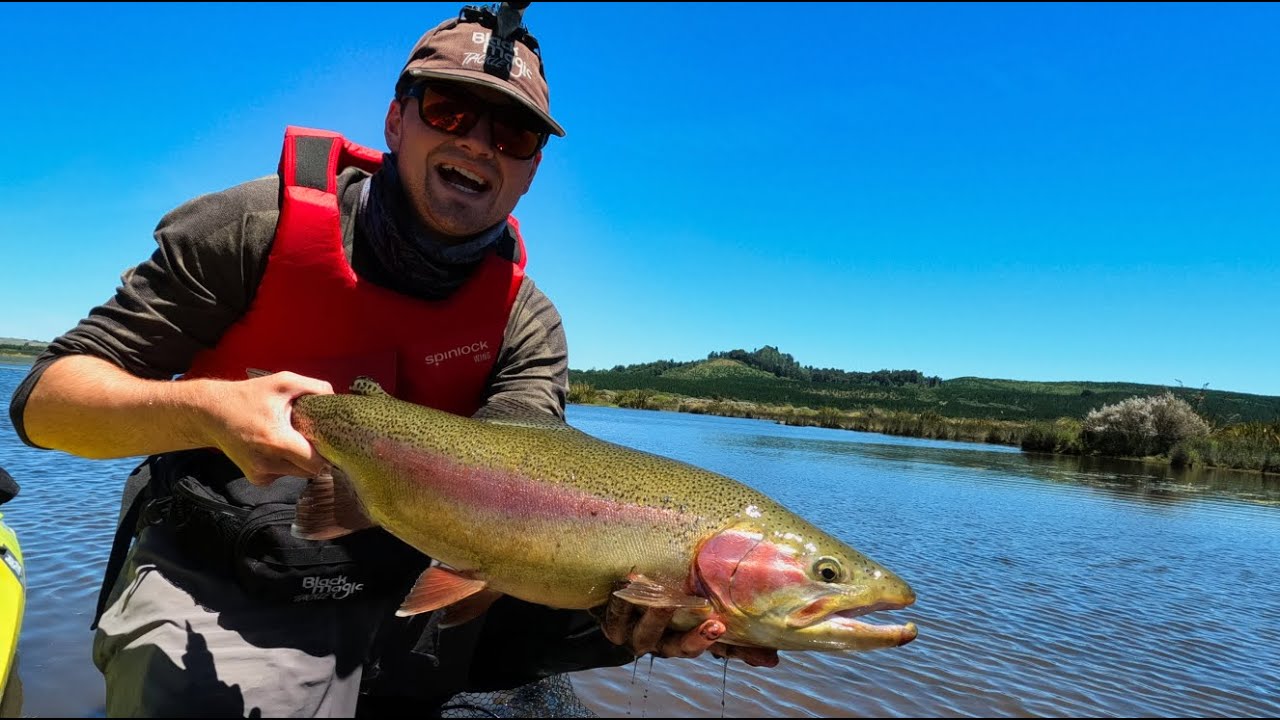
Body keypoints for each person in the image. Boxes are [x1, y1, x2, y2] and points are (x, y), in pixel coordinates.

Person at [8, 3, 776, 717]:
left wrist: (643, 598)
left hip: (415, 566)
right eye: (450, 111)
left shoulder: (525, 322)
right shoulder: (252, 228)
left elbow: (528, 482)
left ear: (533, 167)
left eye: (514, 134)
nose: (479, 142)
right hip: (226, 566)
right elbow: (45, 403)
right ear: (396, 120)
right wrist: (207, 410)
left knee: (621, 617)